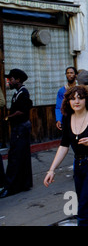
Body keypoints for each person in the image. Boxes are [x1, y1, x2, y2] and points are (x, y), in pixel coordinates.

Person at [43, 85, 88, 226]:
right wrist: (52, 170)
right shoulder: (67, 118)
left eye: (80, 98)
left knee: (83, 211)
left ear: (86, 100)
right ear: (68, 101)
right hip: (79, 167)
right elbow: (64, 146)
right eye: (72, 98)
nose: (76, 101)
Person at [0, 69, 33, 198]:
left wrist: (8, 117)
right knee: (21, 155)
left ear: (18, 80)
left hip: (21, 128)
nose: (10, 81)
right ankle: (24, 184)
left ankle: (11, 187)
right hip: (19, 127)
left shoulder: (23, 93)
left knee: (14, 156)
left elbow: (22, 111)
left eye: (11, 79)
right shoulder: (17, 93)